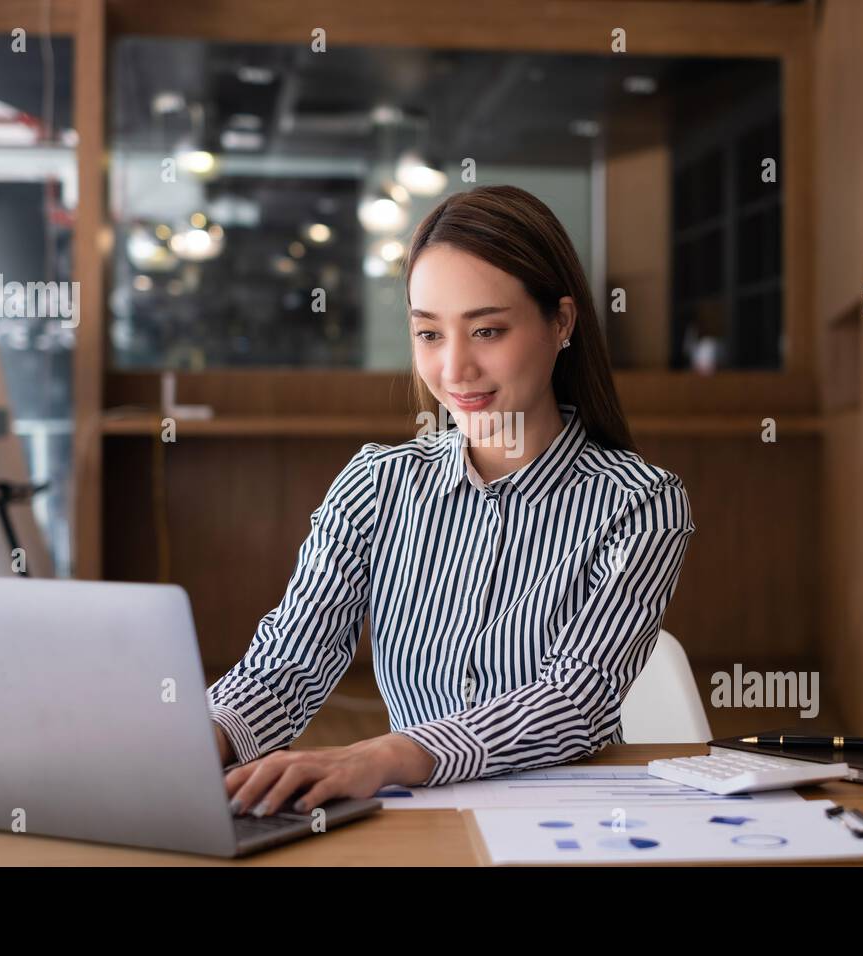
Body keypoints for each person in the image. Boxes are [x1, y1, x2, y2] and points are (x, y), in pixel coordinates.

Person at [214, 184, 695, 818]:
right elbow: (289, 665)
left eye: (488, 330)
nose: (455, 369)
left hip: (571, 825)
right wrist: (192, 740)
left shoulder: (640, 503)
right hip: (419, 823)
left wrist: (388, 755)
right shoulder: (376, 485)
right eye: (429, 335)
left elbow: (573, 699)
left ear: (562, 323)